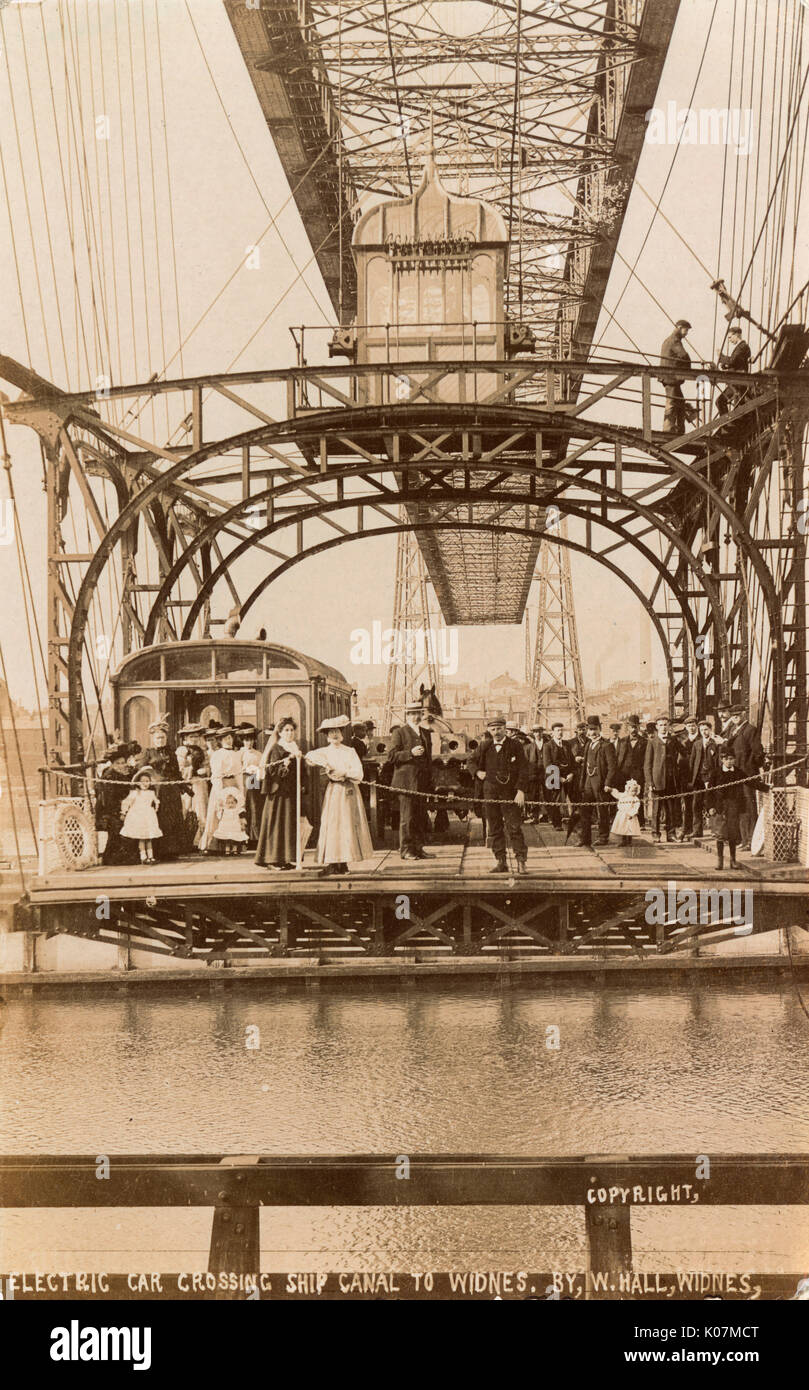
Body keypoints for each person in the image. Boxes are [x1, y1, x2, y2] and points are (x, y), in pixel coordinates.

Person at [305, 715, 373, 875]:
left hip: (348, 791)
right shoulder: (324, 752)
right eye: (331, 732)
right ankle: (333, 861)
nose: (334, 735)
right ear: (327, 735)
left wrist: (345, 772)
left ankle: (344, 862)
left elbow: (359, 773)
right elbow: (309, 756)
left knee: (346, 826)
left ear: (341, 733)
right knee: (333, 826)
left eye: (337, 731)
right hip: (333, 792)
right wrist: (324, 764)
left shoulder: (349, 751)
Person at [467, 711, 528, 873]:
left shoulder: (515, 746)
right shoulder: (485, 746)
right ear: (489, 731)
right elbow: (471, 761)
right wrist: (477, 772)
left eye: (499, 728)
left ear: (505, 729)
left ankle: (521, 861)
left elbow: (524, 769)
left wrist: (521, 791)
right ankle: (501, 861)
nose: (497, 732)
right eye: (493, 729)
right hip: (490, 793)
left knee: (514, 827)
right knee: (494, 828)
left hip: (510, 794)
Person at [385, 700, 434, 861]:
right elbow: (391, 756)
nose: (415, 716)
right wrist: (411, 753)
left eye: (418, 713)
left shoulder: (425, 733)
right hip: (406, 783)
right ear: (407, 715)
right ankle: (406, 850)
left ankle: (418, 849)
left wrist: (429, 780)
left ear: (422, 714)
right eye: (412, 714)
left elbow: (428, 759)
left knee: (420, 817)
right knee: (407, 818)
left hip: (421, 782)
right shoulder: (399, 733)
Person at [708, 748, 770, 870]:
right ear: (722, 760)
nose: (729, 761)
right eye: (726, 759)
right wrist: (710, 807)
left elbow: (751, 782)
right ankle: (719, 861)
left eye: (731, 759)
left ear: (735, 759)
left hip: (734, 806)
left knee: (732, 834)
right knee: (720, 834)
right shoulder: (716, 773)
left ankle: (733, 860)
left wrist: (766, 788)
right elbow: (709, 792)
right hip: (720, 807)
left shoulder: (738, 772)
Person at [255, 718, 303, 871]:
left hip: (290, 793)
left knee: (288, 825)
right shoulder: (276, 748)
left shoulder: (294, 747)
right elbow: (272, 771)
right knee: (276, 824)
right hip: (278, 793)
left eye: (292, 730)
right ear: (280, 732)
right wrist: (286, 766)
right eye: (286, 730)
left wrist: (302, 784)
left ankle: (285, 859)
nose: (290, 733)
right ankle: (272, 859)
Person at [138, 720, 187, 860]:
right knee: (158, 819)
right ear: (153, 739)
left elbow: (177, 771)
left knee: (172, 819)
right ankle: (158, 851)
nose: (160, 740)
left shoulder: (171, 752)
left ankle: (172, 851)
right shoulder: (148, 753)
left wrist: (182, 786)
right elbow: (141, 771)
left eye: (163, 737)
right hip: (157, 791)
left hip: (171, 790)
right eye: (158, 738)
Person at [200, 727, 242, 853]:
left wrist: (241, 790)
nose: (228, 741)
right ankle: (211, 845)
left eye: (230, 738)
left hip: (233, 784)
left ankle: (233, 845)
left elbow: (239, 773)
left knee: (233, 814)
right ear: (220, 740)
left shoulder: (236, 754)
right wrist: (220, 793)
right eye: (225, 738)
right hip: (221, 784)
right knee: (216, 813)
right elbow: (216, 775)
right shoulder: (218, 755)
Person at [729, 707, 766, 850]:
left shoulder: (751, 730)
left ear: (744, 714)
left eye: (737, 715)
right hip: (736, 775)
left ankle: (751, 840)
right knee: (741, 808)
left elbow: (757, 752)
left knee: (749, 808)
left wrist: (752, 771)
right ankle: (744, 840)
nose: (735, 717)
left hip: (747, 775)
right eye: (733, 716)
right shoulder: (735, 731)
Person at [579, 715, 616, 847]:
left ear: (600, 729)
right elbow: (585, 766)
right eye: (590, 730)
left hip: (601, 784)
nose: (592, 733)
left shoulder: (607, 745)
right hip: (589, 783)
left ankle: (603, 837)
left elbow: (612, 768)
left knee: (602, 812)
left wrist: (607, 784)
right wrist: (583, 783)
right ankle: (585, 839)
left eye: (595, 729)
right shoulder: (588, 745)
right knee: (585, 812)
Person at [644, 714, 681, 842]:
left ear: (669, 726)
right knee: (656, 809)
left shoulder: (673, 740)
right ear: (656, 727)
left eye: (665, 725)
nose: (663, 728)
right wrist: (650, 781)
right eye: (661, 725)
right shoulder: (652, 742)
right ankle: (655, 833)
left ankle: (671, 834)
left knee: (671, 809)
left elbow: (683, 753)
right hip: (657, 780)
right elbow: (647, 764)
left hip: (671, 780)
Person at [94, 743, 133, 865]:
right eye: (118, 763)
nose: (122, 765)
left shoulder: (126, 774)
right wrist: (121, 810)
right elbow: (107, 800)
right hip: (110, 811)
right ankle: (112, 858)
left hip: (122, 808)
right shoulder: (109, 776)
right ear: (113, 764)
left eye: (123, 762)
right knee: (117, 828)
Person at [660, 319, 697, 434]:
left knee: (680, 402)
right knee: (671, 403)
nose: (686, 333)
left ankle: (680, 429)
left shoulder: (667, 340)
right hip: (672, 378)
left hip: (669, 378)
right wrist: (688, 370)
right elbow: (683, 356)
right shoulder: (675, 340)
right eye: (686, 330)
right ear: (680, 328)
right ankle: (668, 430)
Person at [120, 766, 162, 864]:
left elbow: (157, 801)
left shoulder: (151, 793)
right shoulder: (135, 793)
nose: (145, 783)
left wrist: (155, 809)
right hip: (138, 815)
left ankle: (151, 856)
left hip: (148, 815)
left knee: (149, 837)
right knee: (142, 838)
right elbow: (127, 802)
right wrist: (124, 812)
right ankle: (143, 857)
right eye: (142, 781)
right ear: (138, 782)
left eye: (147, 781)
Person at [542, 722, 577, 829]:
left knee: (574, 799)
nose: (560, 732)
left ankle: (574, 823)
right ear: (552, 733)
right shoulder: (547, 746)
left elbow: (572, 761)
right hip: (554, 776)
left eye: (561, 730)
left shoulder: (567, 744)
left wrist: (571, 773)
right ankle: (557, 824)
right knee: (555, 801)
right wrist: (558, 778)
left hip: (568, 777)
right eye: (557, 730)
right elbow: (547, 764)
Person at [688, 716, 718, 839]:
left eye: (706, 729)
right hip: (699, 778)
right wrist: (691, 778)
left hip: (711, 777)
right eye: (702, 730)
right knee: (696, 804)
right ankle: (697, 830)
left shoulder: (715, 743)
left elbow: (718, 761)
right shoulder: (697, 744)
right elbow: (692, 762)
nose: (704, 732)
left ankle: (715, 830)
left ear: (710, 730)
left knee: (712, 803)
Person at [236, 723, 263, 845]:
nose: (249, 743)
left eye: (251, 740)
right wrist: (245, 769)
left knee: (254, 805)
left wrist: (257, 770)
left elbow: (263, 768)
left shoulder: (258, 754)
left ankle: (254, 837)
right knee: (243, 805)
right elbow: (236, 768)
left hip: (254, 780)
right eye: (247, 740)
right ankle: (242, 836)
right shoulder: (239, 753)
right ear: (243, 741)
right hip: (242, 780)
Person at [716, 324, 751, 415]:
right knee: (720, 401)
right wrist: (726, 366)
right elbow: (736, 363)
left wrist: (721, 356)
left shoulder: (743, 347)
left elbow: (732, 361)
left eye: (730, 337)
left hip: (738, 382)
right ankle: (727, 424)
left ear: (736, 335)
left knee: (730, 404)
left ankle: (729, 424)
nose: (729, 340)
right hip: (735, 382)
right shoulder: (740, 348)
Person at [212, 787, 248, 856]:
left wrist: (242, 824)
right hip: (226, 827)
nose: (230, 805)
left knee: (235, 839)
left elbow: (242, 818)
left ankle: (235, 849)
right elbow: (219, 817)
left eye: (232, 803)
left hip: (235, 826)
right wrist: (220, 808)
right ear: (225, 803)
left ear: (236, 803)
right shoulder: (224, 810)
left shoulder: (238, 810)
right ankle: (227, 850)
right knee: (227, 839)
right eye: (228, 803)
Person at [610, 778, 642, 847]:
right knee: (623, 828)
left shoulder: (635, 799)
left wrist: (632, 813)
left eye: (635, 791)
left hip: (630, 816)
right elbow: (617, 794)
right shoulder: (623, 796)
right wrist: (611, 790)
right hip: (622, 815)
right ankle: (623, 841)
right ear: (628, 790)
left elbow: (636, 806)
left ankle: (629, 841)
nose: (633, 793)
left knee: (630, 829)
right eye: (632, 791)